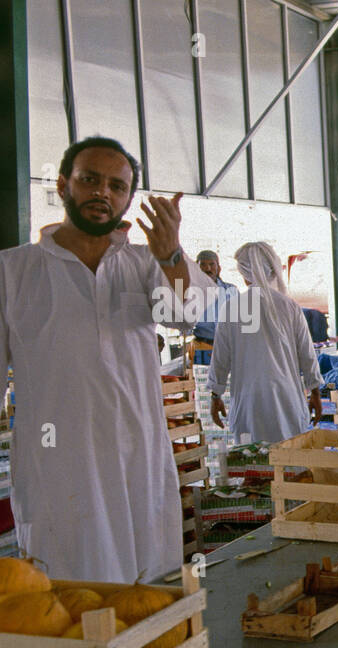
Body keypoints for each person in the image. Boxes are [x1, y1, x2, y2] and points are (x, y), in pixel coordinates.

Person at [0, 136, 217, 581]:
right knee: (70, 600)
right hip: (57, 464)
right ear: (63, 185)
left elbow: (185, 313)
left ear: (128, 199)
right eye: (90, 180)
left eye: (117, 186)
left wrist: (171, 255)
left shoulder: (145, 264)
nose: (103, 193)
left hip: (138, 460)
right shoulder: (14, 271)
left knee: (148, 597)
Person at [210, 241, 323, 444]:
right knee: (289, 465)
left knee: (253, 462)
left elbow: (220, 358)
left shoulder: (231, 308)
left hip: (248, 402)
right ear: (272, 270)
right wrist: (315, 392)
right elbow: (307, 354)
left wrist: (215, 396)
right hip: (286, 399)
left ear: (244, 276)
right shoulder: (289, 306)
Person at [193, 249, 237, 364]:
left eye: (212, 264)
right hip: (201, 347)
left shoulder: (231, 290)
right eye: (203, 264)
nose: (208, 268)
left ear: (218, 268)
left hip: (228, 347)